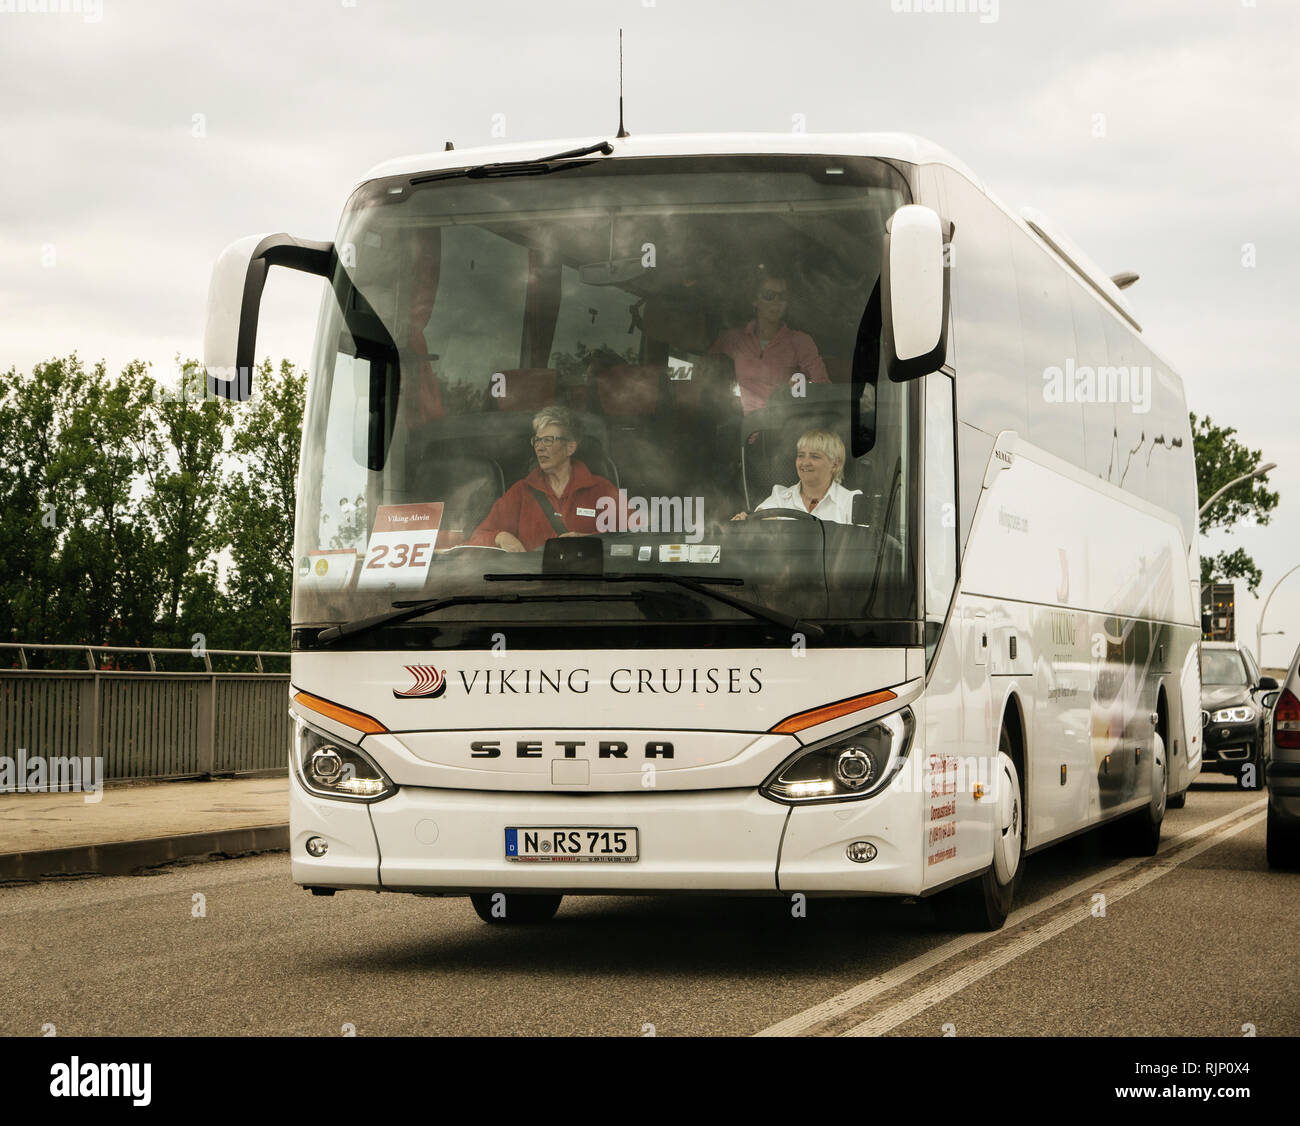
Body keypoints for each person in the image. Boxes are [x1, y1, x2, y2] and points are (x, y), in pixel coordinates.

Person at [470, 407, 619, 552]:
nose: (539, 447)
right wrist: (499, 537)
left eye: (548, 440)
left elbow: (630, 537)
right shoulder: (521, 492)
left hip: (585, 569)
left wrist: (590, 542)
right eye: (537, 440)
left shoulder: (601, 490)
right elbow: (476, 539)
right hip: (532, 570)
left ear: (570, 447)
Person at [708, 269, 830, 413]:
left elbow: (823, 387)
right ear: (754, 300)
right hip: (740, 422)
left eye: (782, 297)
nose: (777, 302)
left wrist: (800, 392)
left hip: (783, 422)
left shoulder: (800, 341)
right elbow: (703, 371)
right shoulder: (733, 339)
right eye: (769, 295)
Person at [733, 428, 862, 524]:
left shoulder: (852, 502)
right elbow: (760, 526)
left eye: (815, 456)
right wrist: (742, 524)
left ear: (834, 464)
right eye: (801, 455)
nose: (805, 463)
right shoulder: (779, 498)